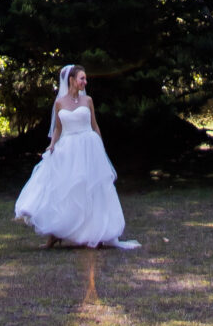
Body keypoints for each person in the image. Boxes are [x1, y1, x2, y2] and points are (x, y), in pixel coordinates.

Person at [14, 65, 136, 247]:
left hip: (88, 146)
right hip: (68, 147)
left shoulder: (88, 100)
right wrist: (52, 144)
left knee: (91, 189)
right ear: (71, 80)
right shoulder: (59, 103)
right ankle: (56, 233)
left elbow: (94, 125)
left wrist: (100, 145)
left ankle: (95, 233)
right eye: (82, 78)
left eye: (85, 79)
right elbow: (58, 128)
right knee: (64, 189)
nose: (85, 82)